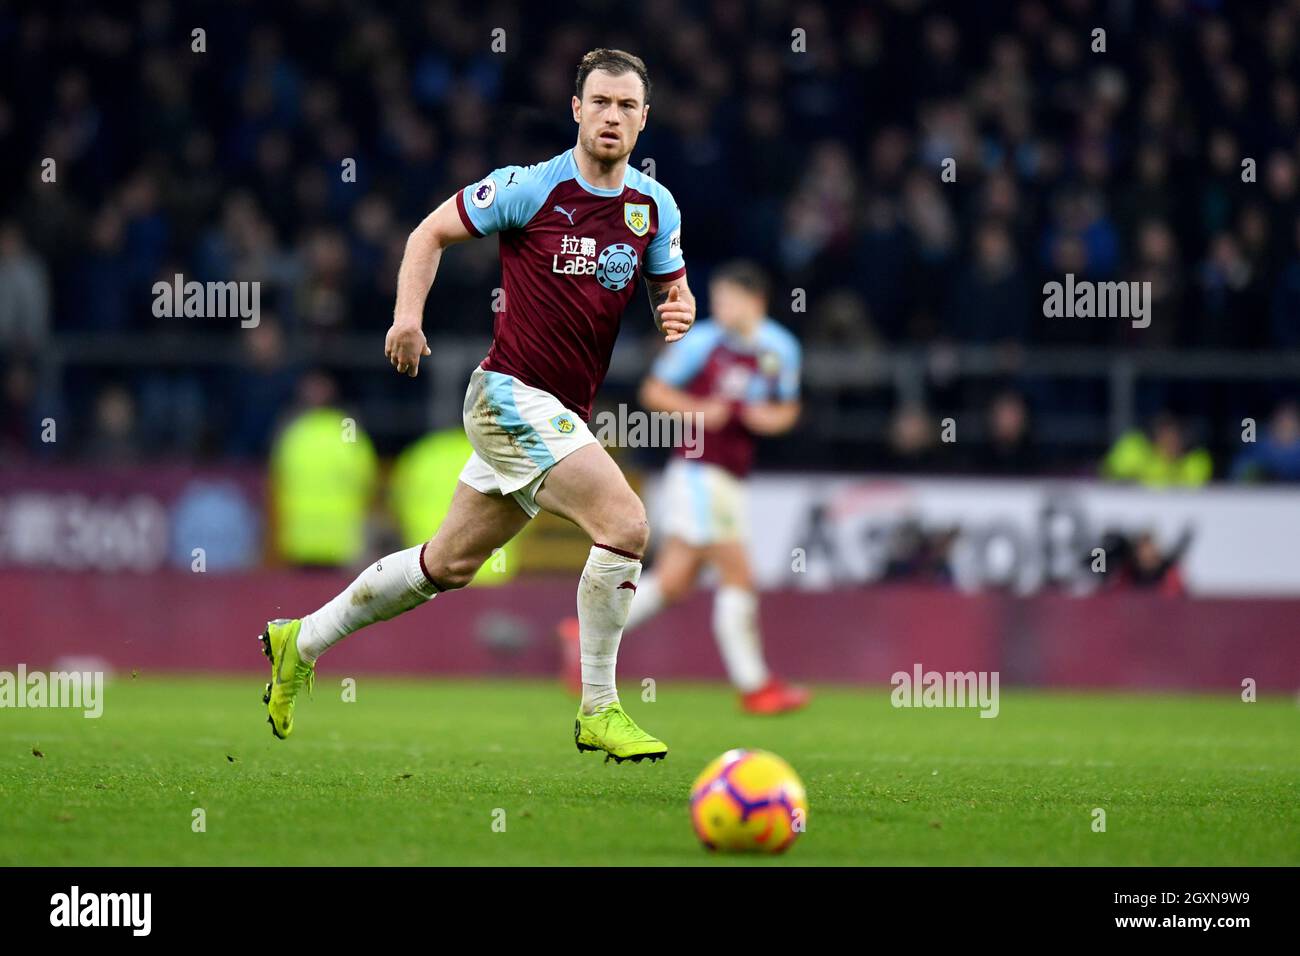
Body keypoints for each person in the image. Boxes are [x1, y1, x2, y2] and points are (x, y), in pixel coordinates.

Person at [259, 50, 695, 764]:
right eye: (600, 102)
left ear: (644, 119)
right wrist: (407, 319)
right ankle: (600, 707)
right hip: (507, 397)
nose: (612, 116)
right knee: (625, 523)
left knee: (445, 566)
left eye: (626, 106)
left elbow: (668, 292)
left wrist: (678, 309)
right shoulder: (530, 188)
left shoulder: (656, 207)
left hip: (561, 416)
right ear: (576, 110)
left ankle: (297, 641)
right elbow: (427, 233)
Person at [559, 262, 807, 713]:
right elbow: (654, 392)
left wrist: (763, 418)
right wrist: (700, 409)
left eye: (728, 299)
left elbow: (787, 410)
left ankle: (582, 635)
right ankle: (755, 687)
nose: (720, 308)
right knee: (739, 575)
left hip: (731, 473)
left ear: (753, 301)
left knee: (673, 582)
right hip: (698, 472)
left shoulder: (780, 348)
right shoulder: (703, 342)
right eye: (718, 299)